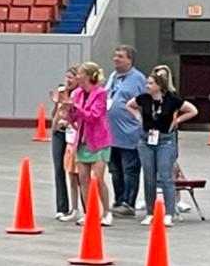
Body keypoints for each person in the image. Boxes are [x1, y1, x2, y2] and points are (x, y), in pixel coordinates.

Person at [130, 66, 196, 225]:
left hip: (165, 140)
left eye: (151, 83)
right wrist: (138, 116)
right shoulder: (143, 98)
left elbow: (192, 110)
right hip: (146, 140)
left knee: (166, 175)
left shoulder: (172, 99)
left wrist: (176, 121)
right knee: (149, 176)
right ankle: (150, 212)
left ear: (159, 86)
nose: (147, 86)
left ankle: (169, 213)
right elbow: (129, 105)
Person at [67, 62, 114, 224]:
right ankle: (89, 212)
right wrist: (68, 109)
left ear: (88, 76)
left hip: (99, 141)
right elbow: (72, 118)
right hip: (82, 140)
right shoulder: (77, 94)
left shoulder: (100, 93)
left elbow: (94, 116)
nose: (77, 77)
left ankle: (107, 211)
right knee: (83, 178)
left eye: (80, 74)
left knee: (99, 178)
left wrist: (76, 109)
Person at [105, 46, 147, 214]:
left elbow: (144, 102)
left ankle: (129, 202)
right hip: (111, 133)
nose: (116, 59)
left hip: (130, 133)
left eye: (120, 57)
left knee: (129, 168)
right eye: (115, 56)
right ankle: (118, 199)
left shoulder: (138, 79)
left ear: (130, 60)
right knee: (115, 169)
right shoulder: (113, 76)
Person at [50, 67, 80, 221]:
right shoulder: (62, 92)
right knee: (59, 169)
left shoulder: (80, 94)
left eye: (71, 78)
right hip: (60, 134)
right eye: (66, 77)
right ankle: (62, 206)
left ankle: (83, 206)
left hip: (74, 135)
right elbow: (54, 116)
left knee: (77, 172)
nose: (68, 81)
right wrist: (57, 103)